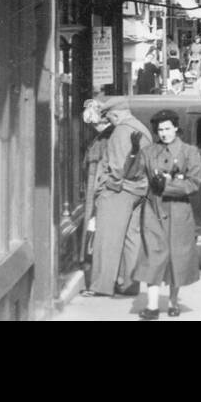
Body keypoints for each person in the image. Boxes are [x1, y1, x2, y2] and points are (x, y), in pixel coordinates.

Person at [134, 110, 201, 318]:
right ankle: (152, 307)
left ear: (175, 128)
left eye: (167, 128)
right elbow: (134, 174)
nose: (164, 133)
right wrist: (132, 152)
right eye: (160, 130)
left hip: (179, 211)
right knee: (152, 256)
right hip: (153, 211)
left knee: (177, 258)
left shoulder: (190, 152)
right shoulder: (148, 152)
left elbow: (194, 182)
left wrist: (167, 185)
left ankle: (173, 303)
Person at [83, 102, 151, 297]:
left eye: (109, 118)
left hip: (120, 191)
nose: (109, 121)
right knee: (132, 239)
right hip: (139, 189)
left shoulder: (121, 131)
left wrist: (109, 187)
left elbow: (117, 166)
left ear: (114, 115)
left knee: (108, 239)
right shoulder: (140, 127)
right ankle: (129, 284)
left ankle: (101, 286)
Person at [80, 100, 112, 271]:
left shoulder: (104, 140)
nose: (94, 126)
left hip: (99, 191)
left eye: (96, 123)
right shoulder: (102, 138)